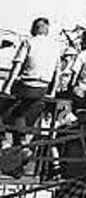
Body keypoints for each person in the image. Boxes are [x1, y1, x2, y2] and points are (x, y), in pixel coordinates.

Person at [0, 18, 61, 149]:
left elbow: (17, 65)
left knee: (4, 105)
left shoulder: (28, 42)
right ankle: (20, 141)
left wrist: (7, 86)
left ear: (35, 28)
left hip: (27, 86)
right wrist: (52, 92)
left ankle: (3, 140)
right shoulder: (55, 46)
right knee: (20, 111)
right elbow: (58, 72)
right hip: (43, 88)